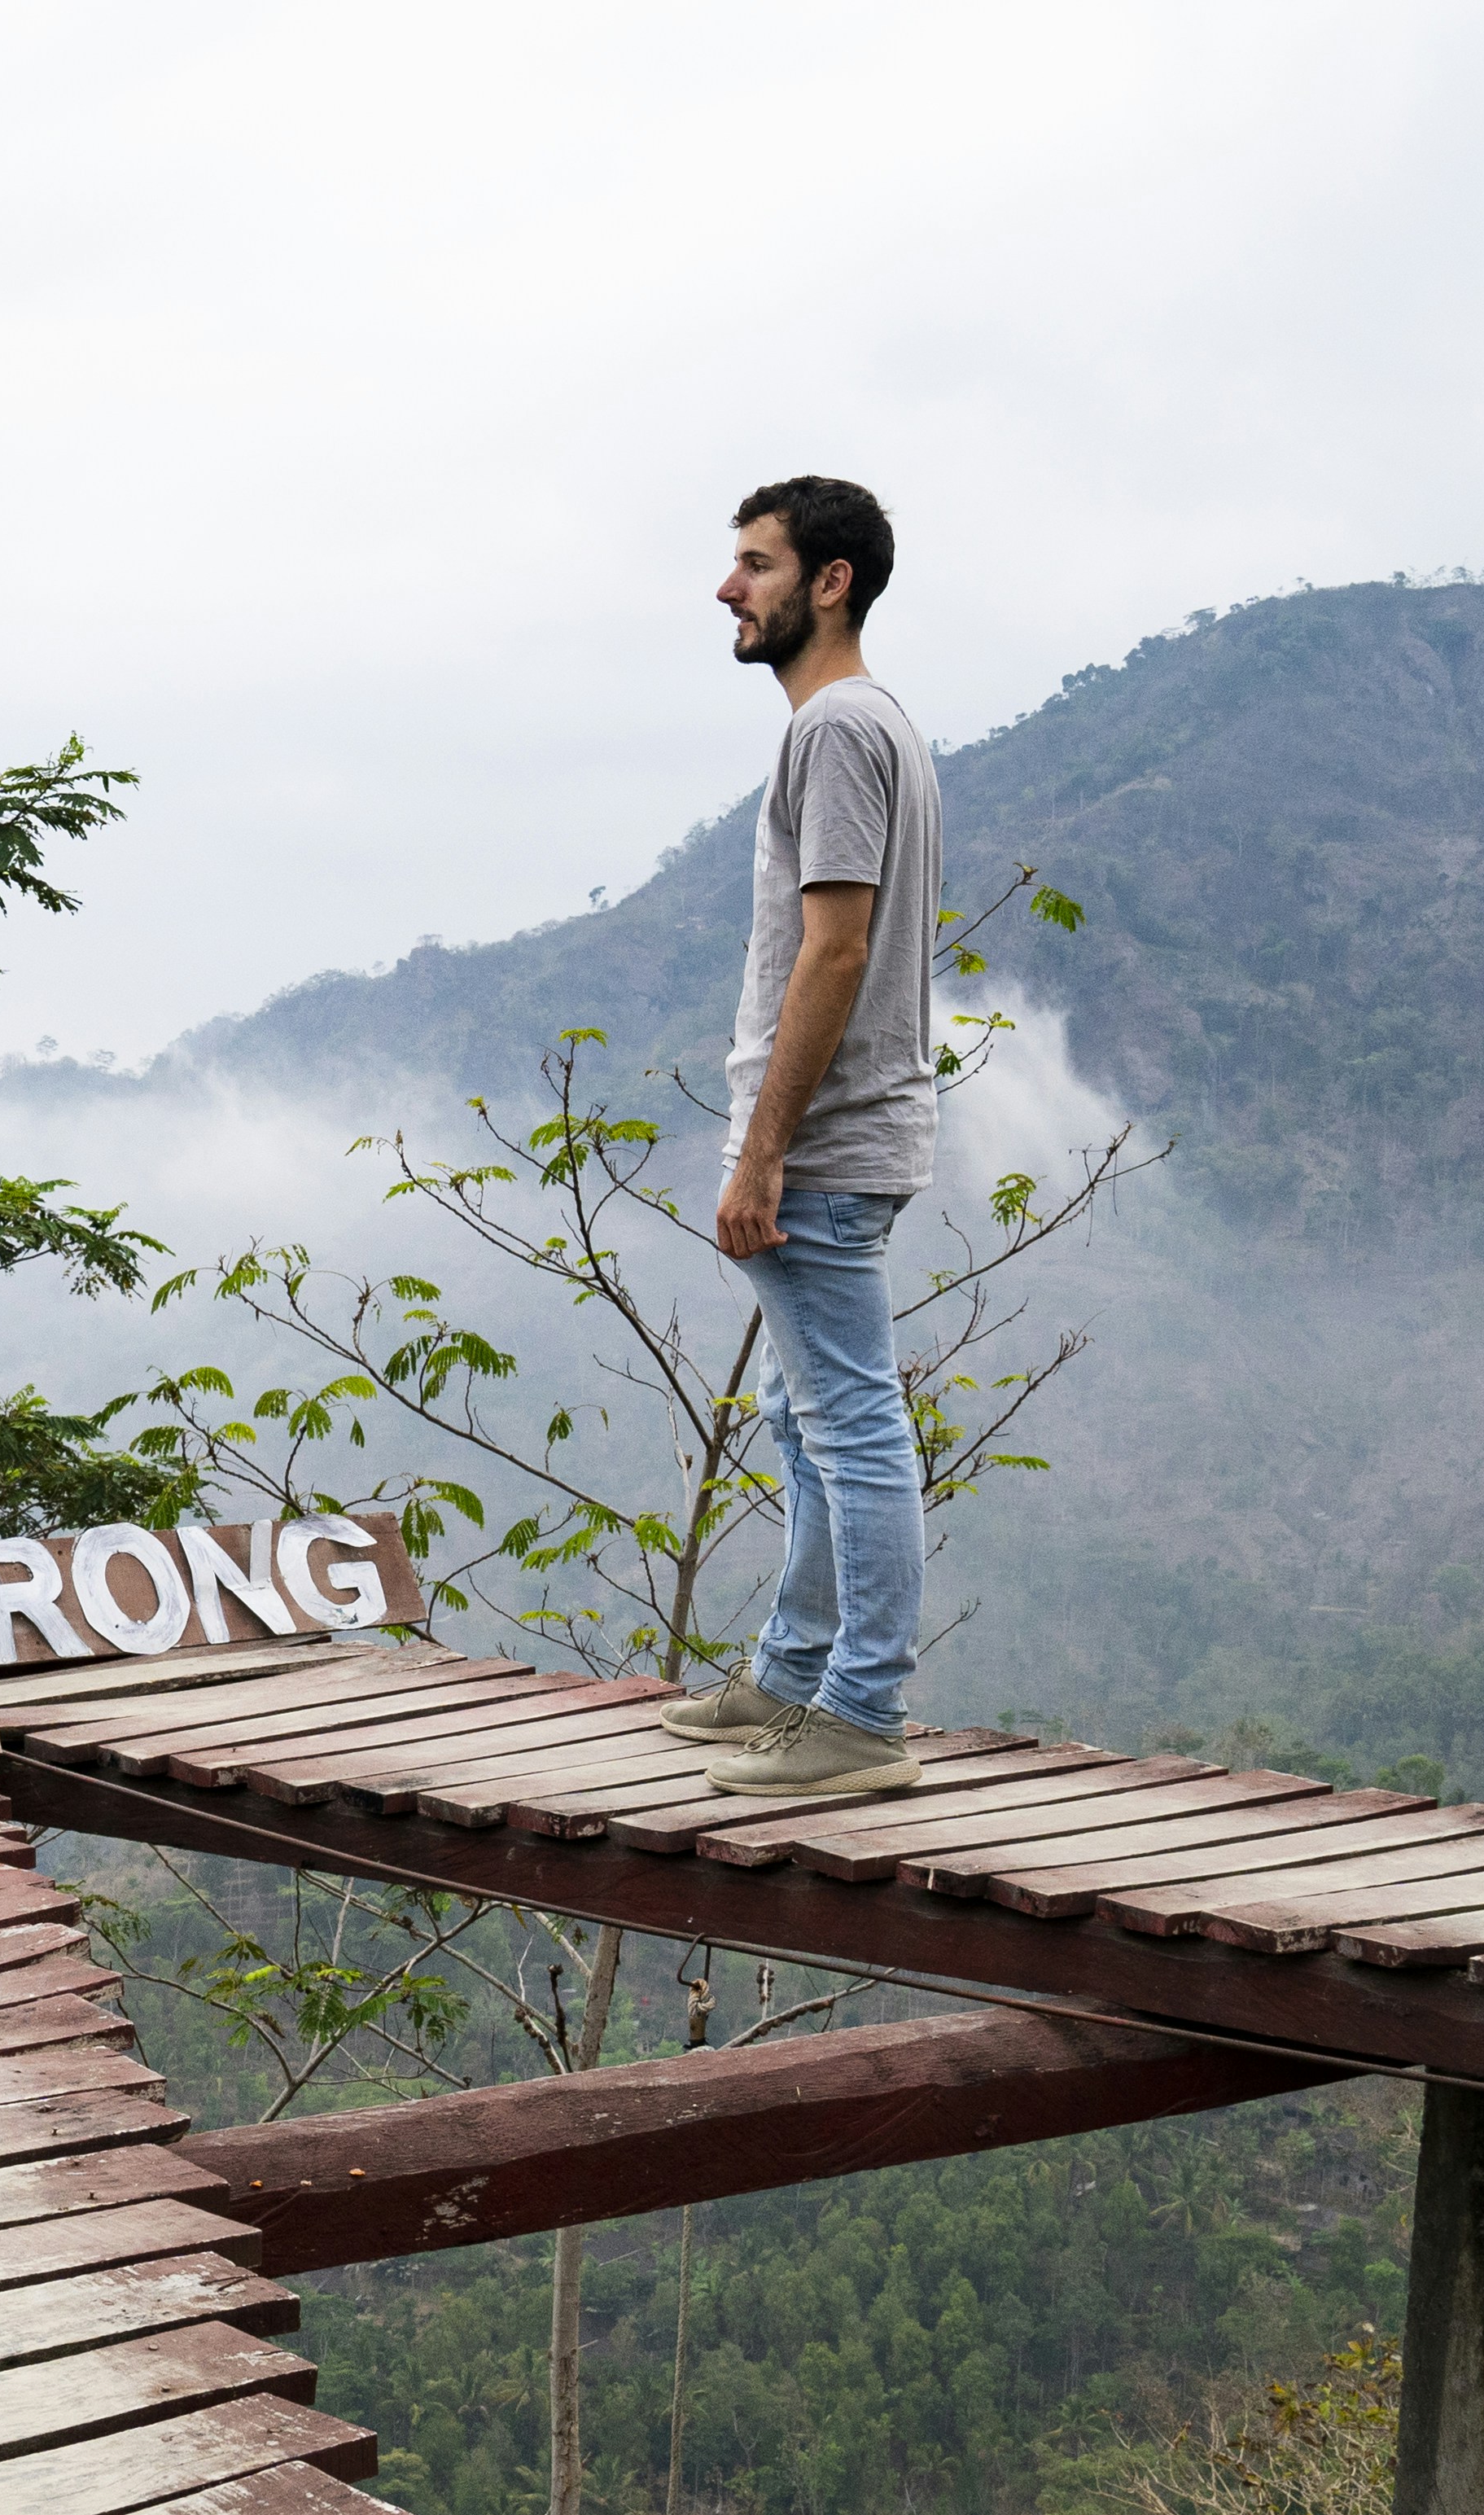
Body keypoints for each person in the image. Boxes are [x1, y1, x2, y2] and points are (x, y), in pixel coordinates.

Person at [658, 475, 938, 1796]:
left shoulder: (833, 729)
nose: (730, 588)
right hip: (851, 1137)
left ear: (829, 581)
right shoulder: (879, 725)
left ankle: (862, 1716)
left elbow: (836, 947)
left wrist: (763, 1151)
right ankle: (792, 1671)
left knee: (851, 1422)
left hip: (820, 1147)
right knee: (802, 1414)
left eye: (757, 565)